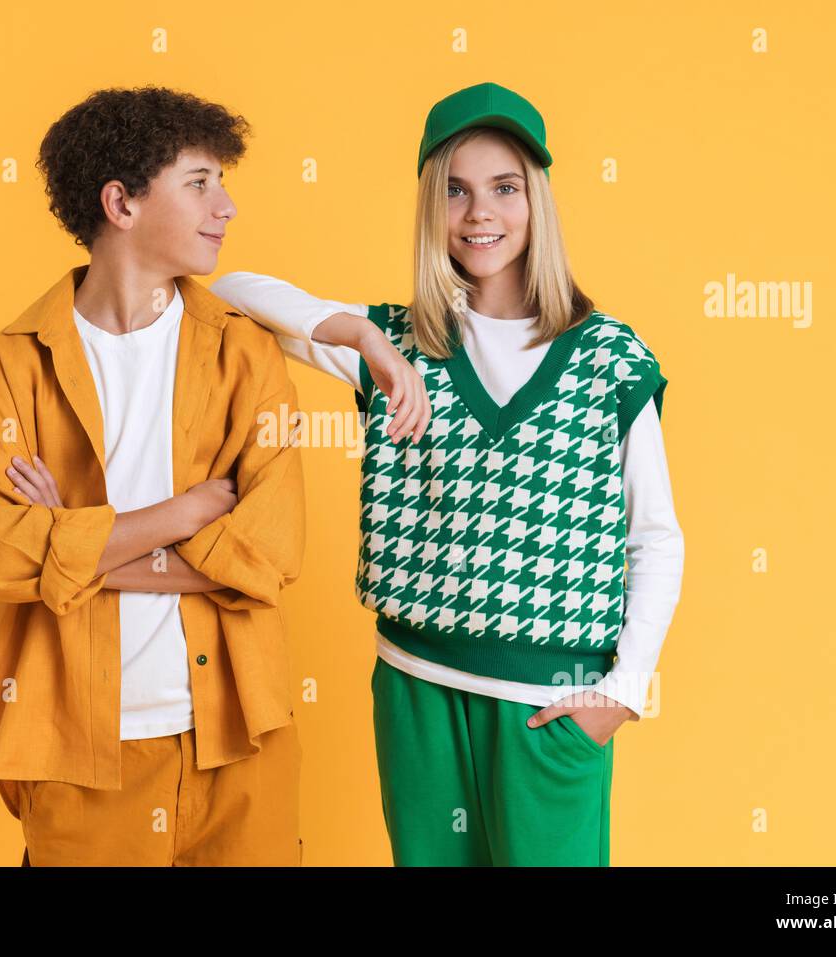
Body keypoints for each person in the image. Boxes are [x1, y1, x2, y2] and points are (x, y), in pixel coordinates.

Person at [210, 81, 685, 866]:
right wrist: (367, 337)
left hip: (550, 703)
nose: (479, 214)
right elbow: (228, 291)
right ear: (432, 205)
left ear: (537, 200)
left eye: (504, 189)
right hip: (416, 689)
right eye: (456, 191)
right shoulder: (398, 343)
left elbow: (654, 535)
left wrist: (624, 690)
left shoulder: (609, 356)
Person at [0, 85, 307, 866]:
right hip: (76, 755)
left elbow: (272, 553)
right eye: (200, 182)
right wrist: (186, 514)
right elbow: (4, 559)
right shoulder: (14, 362)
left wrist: (76, 549)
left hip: (240, 741)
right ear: (121, 203)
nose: (228, 206)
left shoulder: (244, 352)